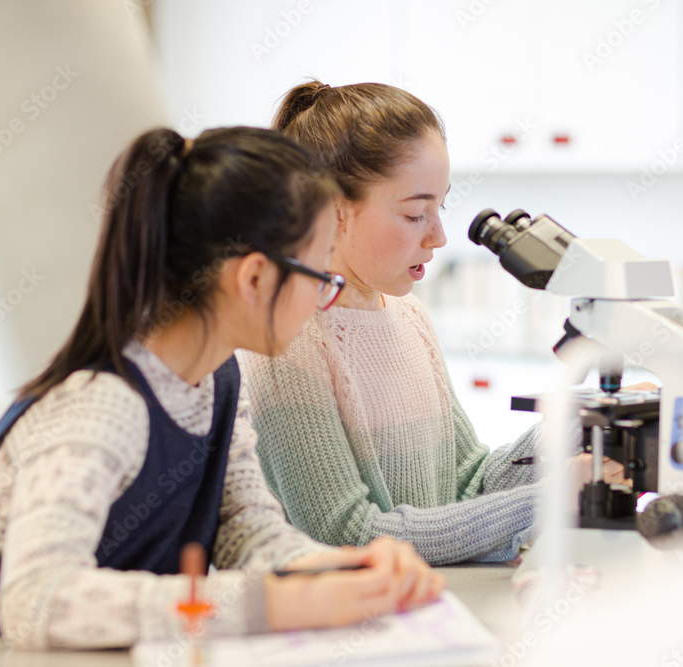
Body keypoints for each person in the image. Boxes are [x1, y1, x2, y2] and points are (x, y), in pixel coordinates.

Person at [0, 126, 443, 650]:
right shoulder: (102, 406)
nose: (327, 292)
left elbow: (248, 531)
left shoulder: (216, 379)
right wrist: (271, 605)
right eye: (320, 269)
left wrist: (344, 569)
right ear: (254, 279)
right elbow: (37, 601)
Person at [240, 82, 628, 566]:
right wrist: (546, 498)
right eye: (415, 213)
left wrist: (586, 424)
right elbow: (347, 537)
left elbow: (467, 483)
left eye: (439, 208)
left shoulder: (409, 316)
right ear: (334, 211)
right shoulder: (286, 343)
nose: (439, 236)